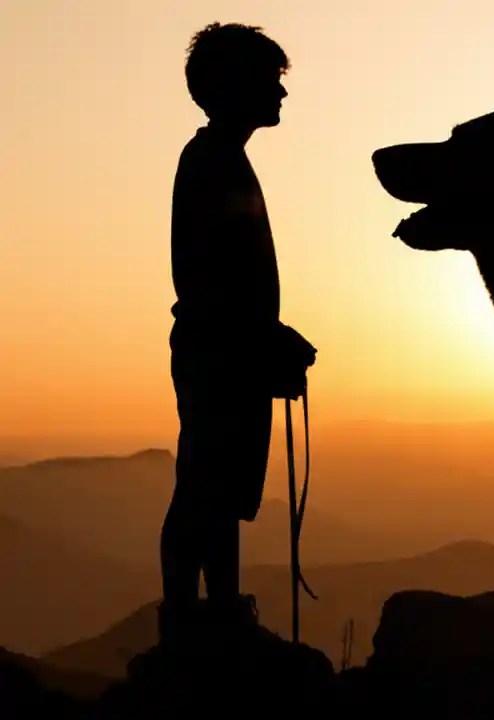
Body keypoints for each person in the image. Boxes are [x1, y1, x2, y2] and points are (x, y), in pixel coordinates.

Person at [161, 22, 316, 653]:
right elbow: (213, 278)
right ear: (235, 86)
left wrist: (270, 338)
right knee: (205, 485)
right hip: (221, 353)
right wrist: (267, 338)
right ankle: (187, 620)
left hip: (225, 349)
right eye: (270, 80)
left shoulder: (219, 159)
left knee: (217, 488)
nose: (281, 93)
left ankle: (217, 610)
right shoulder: (214, 163)